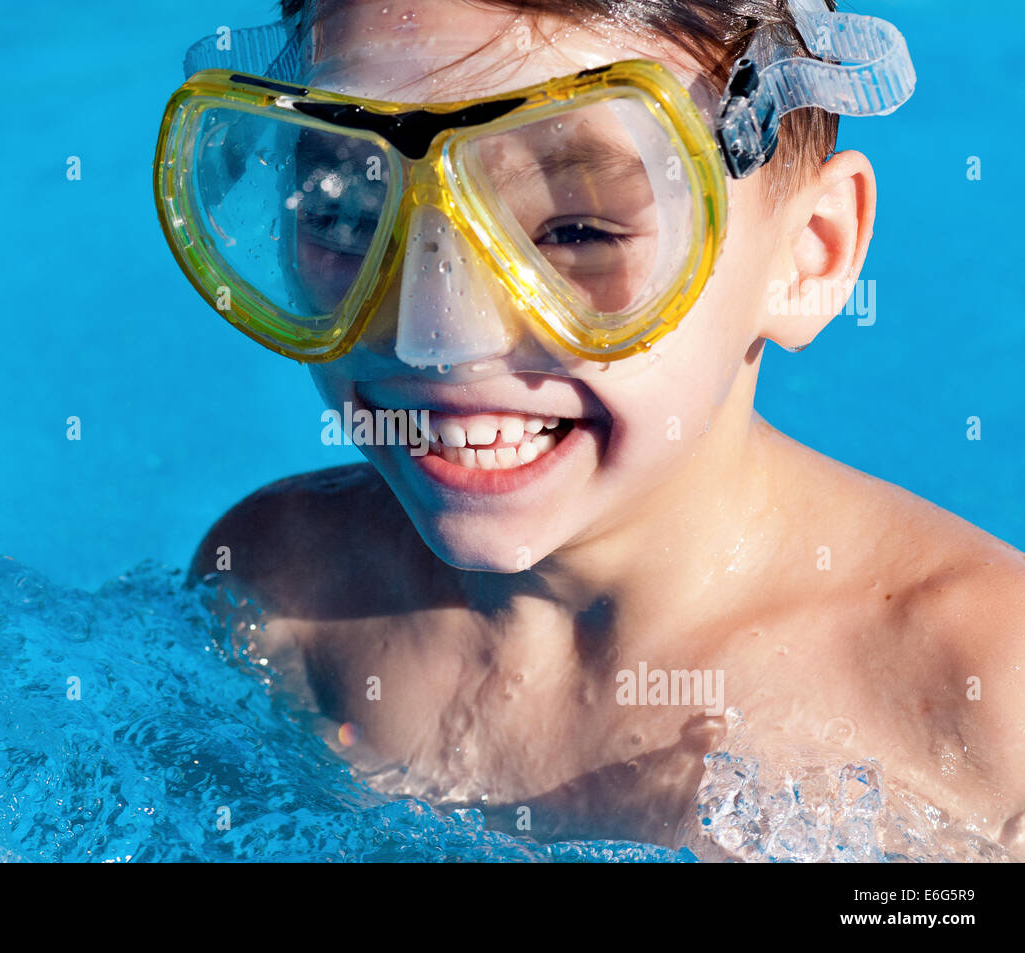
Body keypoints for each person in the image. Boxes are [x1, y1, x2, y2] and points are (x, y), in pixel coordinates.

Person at [155, 0, 1025, 855]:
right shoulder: (281, 592)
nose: (434, 336)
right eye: (348, 213)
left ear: (809, 253)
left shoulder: (985, 691)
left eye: (575, 230)